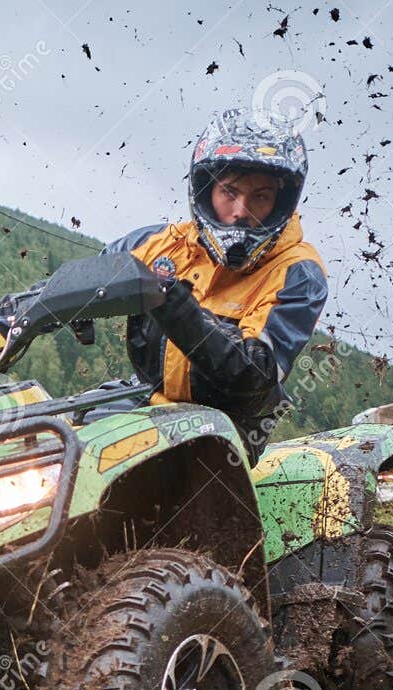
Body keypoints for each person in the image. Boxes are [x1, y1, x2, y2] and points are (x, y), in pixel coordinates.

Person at [103, 108, 328, 462]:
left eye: (260, 197)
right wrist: (13, 317)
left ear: (281, 203)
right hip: (144, 400)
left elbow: (253, 374)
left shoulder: (298, 272)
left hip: (227, 427)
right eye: (230, 191)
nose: (241, 210)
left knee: (156, 482)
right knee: (51, 442)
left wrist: (172, 304)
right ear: (206, 190)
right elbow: (90, 273)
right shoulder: (162, 243)